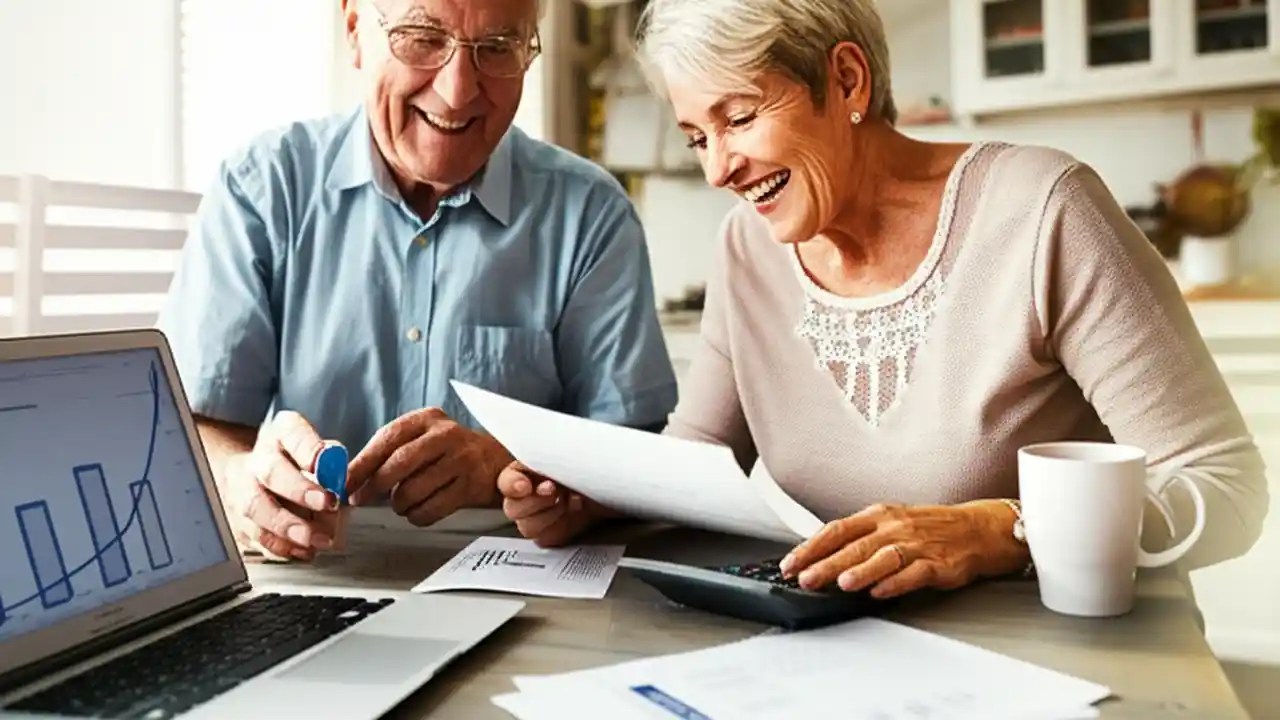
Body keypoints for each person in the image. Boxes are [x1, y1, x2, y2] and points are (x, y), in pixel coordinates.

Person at [499, 0, 1269, 600]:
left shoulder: (1044, 210)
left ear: (847, 80)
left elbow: (1225, 488)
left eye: (738, 118)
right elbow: (696, 457)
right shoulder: (747, 247)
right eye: (699, 136)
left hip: (1058, 649)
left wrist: (1006, 532)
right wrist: (593, 497)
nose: (718, 170)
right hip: (845, 655)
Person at [157, 0, 677, 562]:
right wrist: (240, 482)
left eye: (498, 47)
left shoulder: (591, 215)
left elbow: (636, 460)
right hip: (310, 580)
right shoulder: (262, 190)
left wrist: (501, 467)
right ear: (355, 31)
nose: (457, 91)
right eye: (422, 37)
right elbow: (194, 431)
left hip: (527, 589)